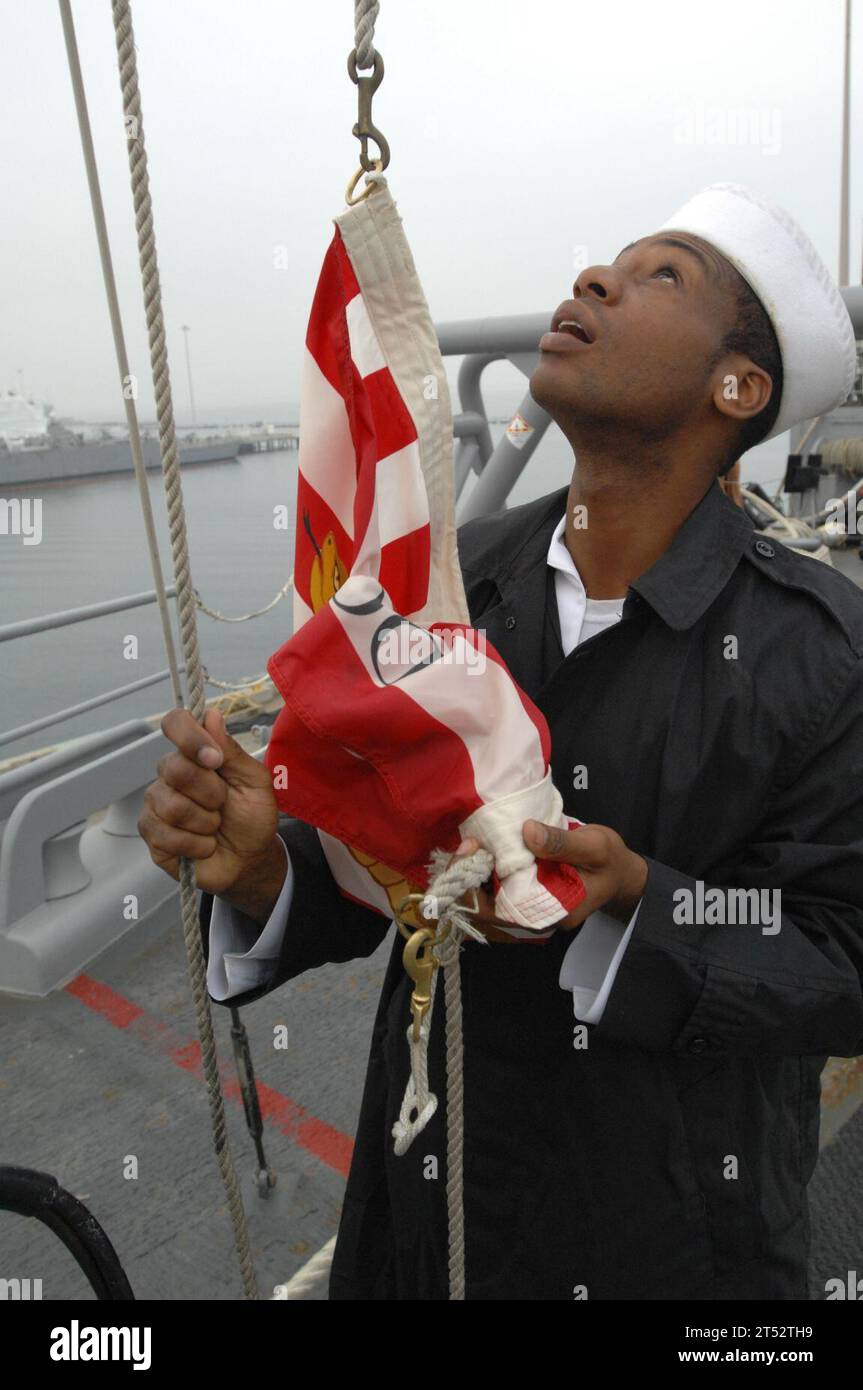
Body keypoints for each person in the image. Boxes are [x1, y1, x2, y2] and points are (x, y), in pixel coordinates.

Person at [139, 183, 862, 1300]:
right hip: (429, 1210)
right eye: (607, 261)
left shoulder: (820, 652)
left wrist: (639, 907)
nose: (593, 280)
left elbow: (836, 951)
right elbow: (391, 870)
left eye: (660, 275)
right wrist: (271, 865)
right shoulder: (449, 577)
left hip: (667, 1248)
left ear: (738, 387)